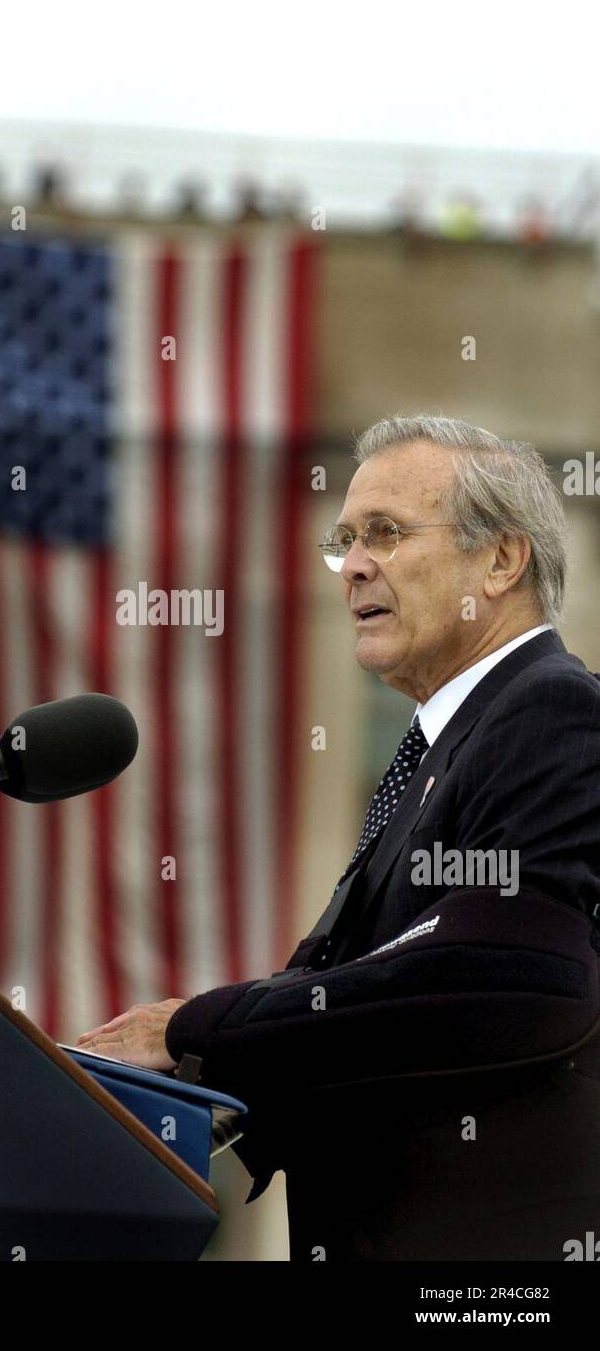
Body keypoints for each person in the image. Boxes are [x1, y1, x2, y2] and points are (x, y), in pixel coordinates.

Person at [76, 414, 600, 1261]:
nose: (353, 565)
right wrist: (198, 1077)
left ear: (501, 561)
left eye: (387, 534)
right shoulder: (440, 748)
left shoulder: (550, 708)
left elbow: (516, 975)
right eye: (347, 540)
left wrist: (193, 1029)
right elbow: (372, 996)